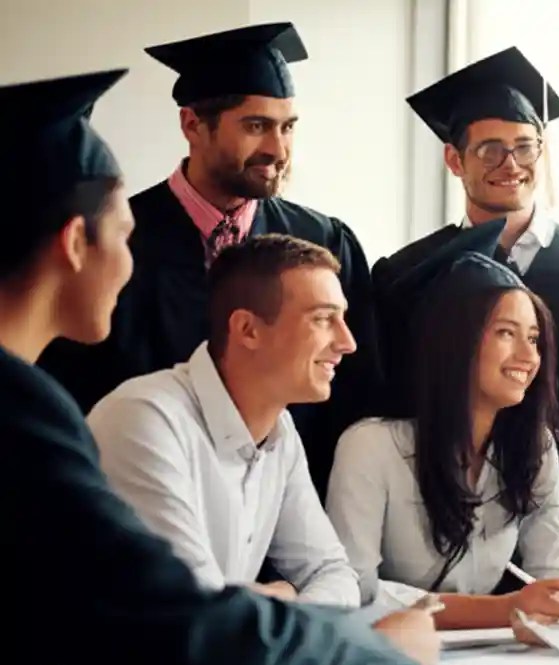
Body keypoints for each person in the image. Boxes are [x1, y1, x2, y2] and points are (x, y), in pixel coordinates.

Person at [0, 69, 434, 665]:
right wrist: (382, 651)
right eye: (123, 236)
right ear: (73, 243)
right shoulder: (25, 416)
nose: (129, 262)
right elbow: (177, 635)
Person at [37, 22, 381, 498]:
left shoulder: (323, 242)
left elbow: (351, 403)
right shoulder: (115, 244)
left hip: (284, 514)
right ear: (193, 125)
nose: (277, 150)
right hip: (140, 504)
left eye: (287, 127)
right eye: (255, 126)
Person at [378, 46, 559, 619]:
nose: (511, 162)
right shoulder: (408, 275)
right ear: (455, 160)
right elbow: (397, 399)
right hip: (439, 530)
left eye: (525, 146)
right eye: (490, 149)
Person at [329, 221, 559, 627]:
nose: (528, 355)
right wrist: (501, 610)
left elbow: (552, 574)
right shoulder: (371, 448)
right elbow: (350, 594)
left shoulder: (534, 448)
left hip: (489, 661)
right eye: (506, 333)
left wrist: (554, 604)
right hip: (390, 657)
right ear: (456, 342)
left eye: (534, 338)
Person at [88, 235, 364, 607]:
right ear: (247, 329)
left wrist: (284, 603)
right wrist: (281, 600)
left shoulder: (281, 433)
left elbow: (335, 574)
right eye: (322, 319)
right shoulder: (144, 419)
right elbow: (195, 609)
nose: (347, 342)